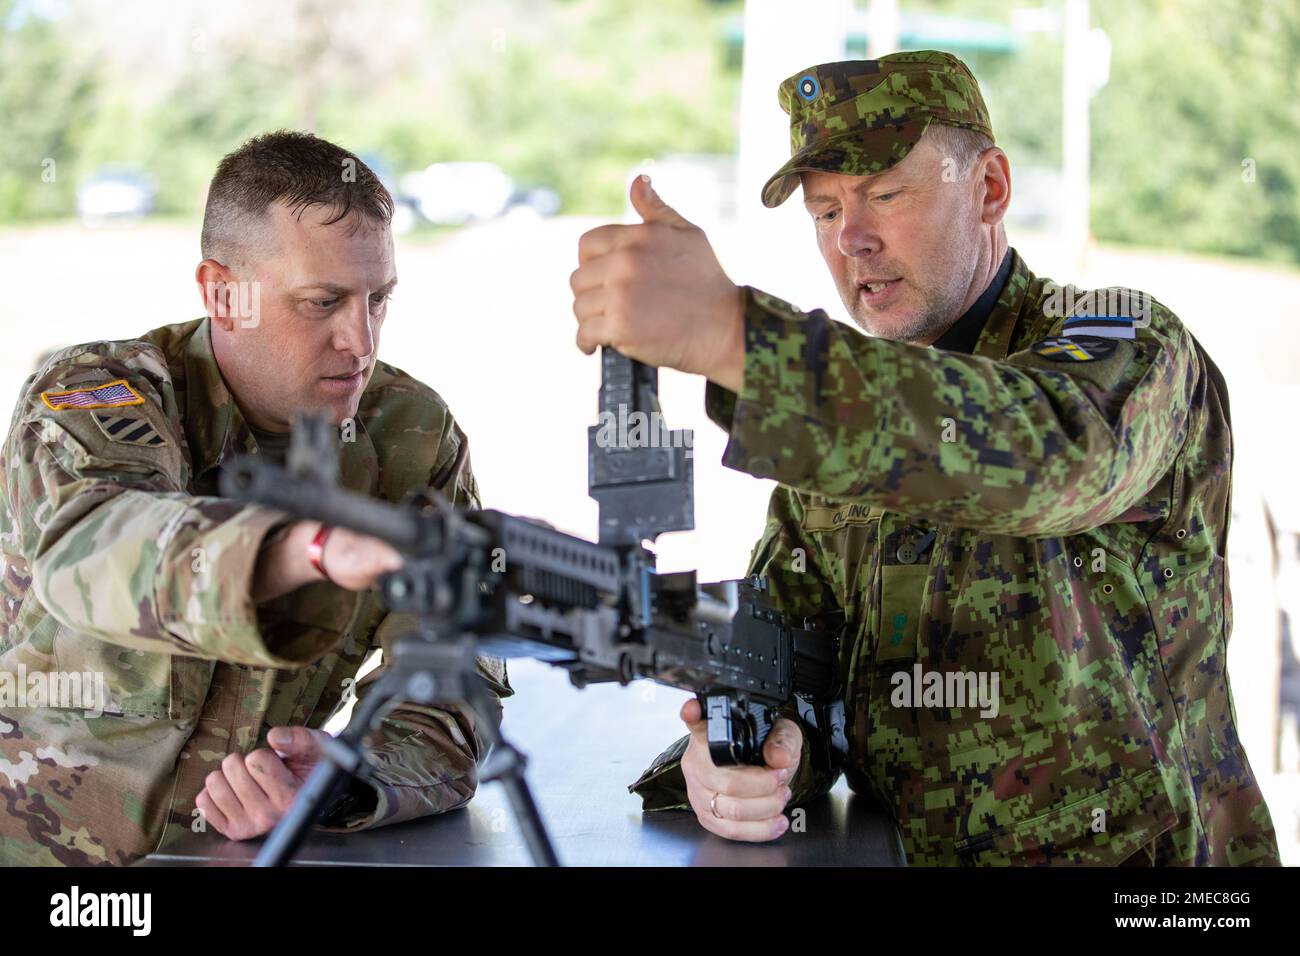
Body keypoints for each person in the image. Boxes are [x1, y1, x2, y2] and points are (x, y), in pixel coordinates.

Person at [571, 50, 1280, 866]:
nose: (853, 240)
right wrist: (751, 764)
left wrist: (738, 337)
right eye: (825, 211)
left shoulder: (1125, 341)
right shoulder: (830, 430)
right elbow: (801, 661)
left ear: (990, 190)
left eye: (885, 194)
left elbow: (1044, 456)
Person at [0, 131, 509, 866]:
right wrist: (310, 549)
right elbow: (100, 547)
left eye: (378, 300)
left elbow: (455, 674)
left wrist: (343, 781)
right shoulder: (97, 395)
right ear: (221, 292)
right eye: (321, 302)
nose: (359, 340)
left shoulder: (412, 434)